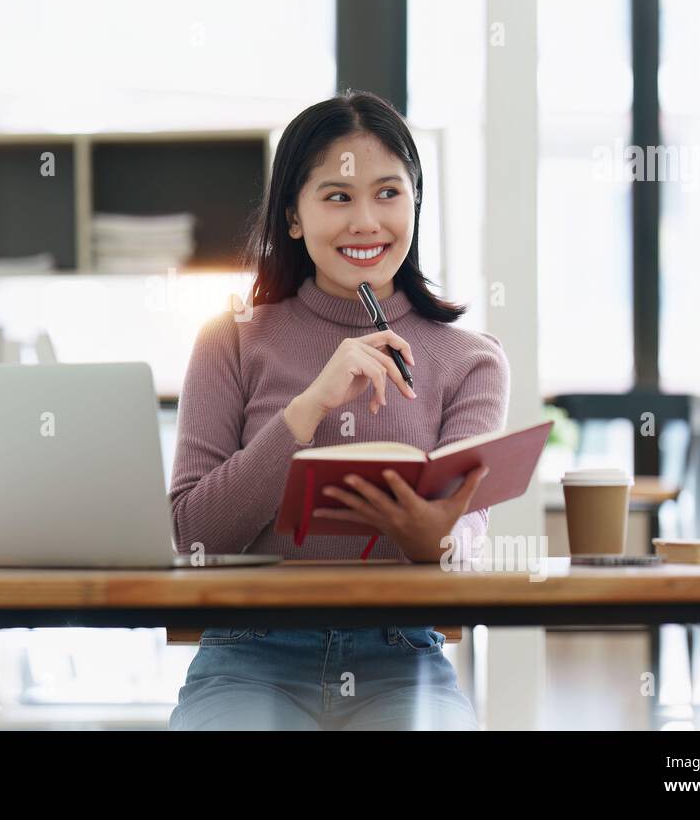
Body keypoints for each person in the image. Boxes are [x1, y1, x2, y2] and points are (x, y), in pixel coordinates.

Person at [167, 89, 509, 730]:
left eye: (388, 193)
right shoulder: (231, 339)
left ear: (415, 204)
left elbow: (467, 537)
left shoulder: (470, 360)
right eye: (337, 196)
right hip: (248, 652)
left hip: (402, 655)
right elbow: (192, 536)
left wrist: (431, 538)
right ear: (292, 216)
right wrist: (309, 407)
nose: (366, 222)